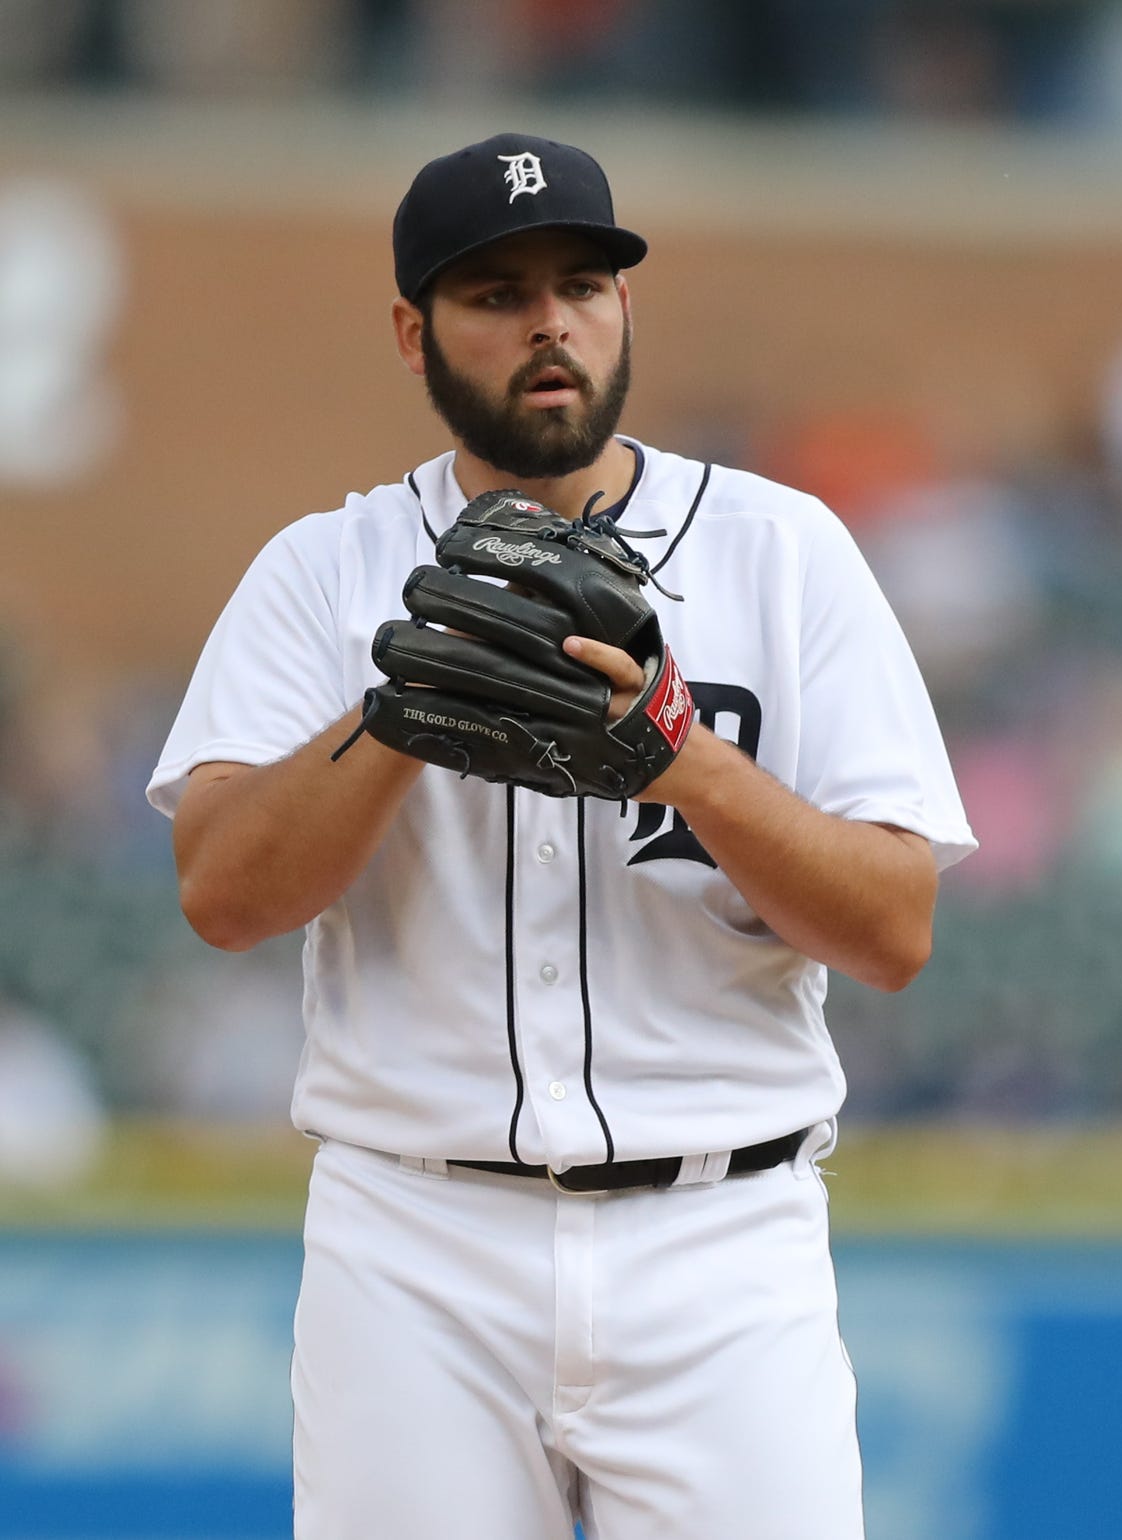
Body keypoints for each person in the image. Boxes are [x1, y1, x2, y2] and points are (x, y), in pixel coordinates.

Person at [147, 132, 976, 1540]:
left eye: (582, 284)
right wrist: (406, 704)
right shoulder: (324, 570)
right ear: (413, 332)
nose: (549, 323)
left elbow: (895, 930)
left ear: (625, 309)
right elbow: (224, 892)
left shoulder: (784, 553)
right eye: (496, 292)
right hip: (416, 1249)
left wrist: (683, 757)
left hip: (723, 1245)